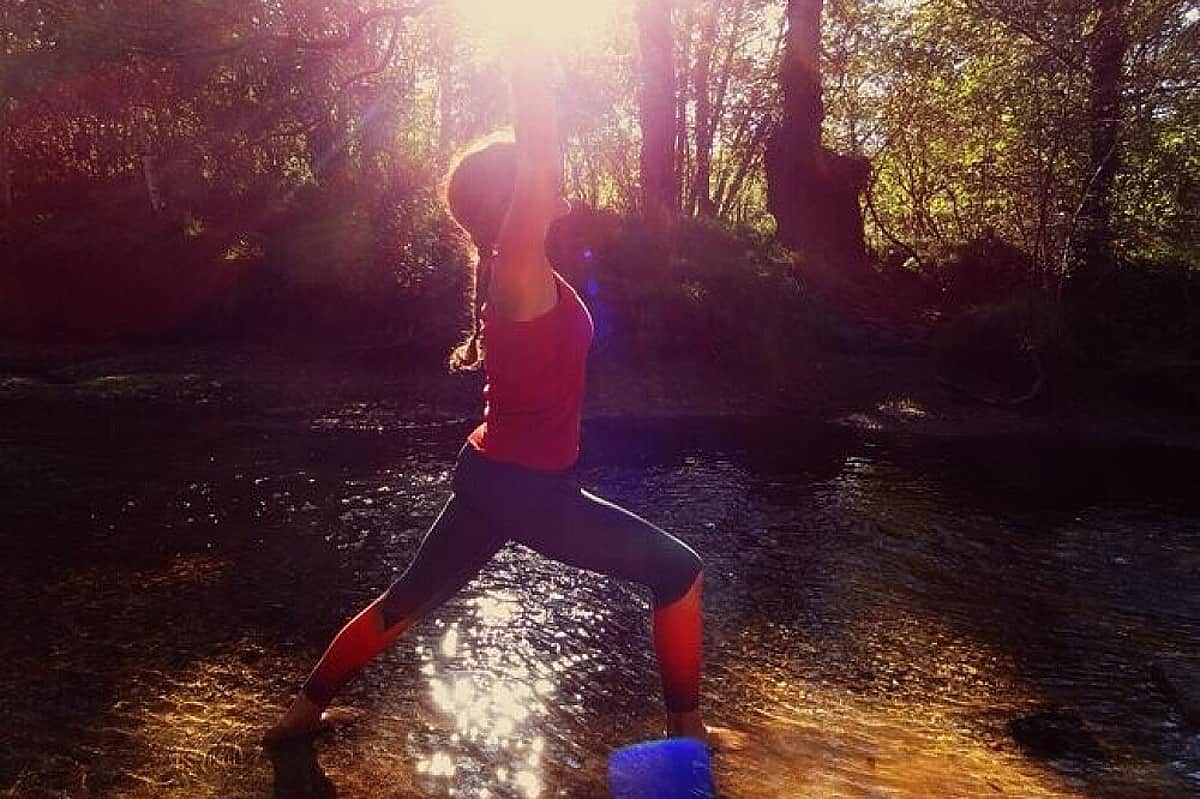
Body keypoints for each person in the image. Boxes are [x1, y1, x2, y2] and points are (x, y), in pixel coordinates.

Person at [264, 46, 709, 745]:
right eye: (538, 177)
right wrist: (525, 43)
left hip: (494, 476)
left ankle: (298, 717)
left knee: (404, 601)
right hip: (533, 491)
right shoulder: (518, 268)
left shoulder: (518, 274)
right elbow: (538, 148)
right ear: (517, 205)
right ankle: (689, 730)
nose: (554, 177)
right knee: (680, 572)